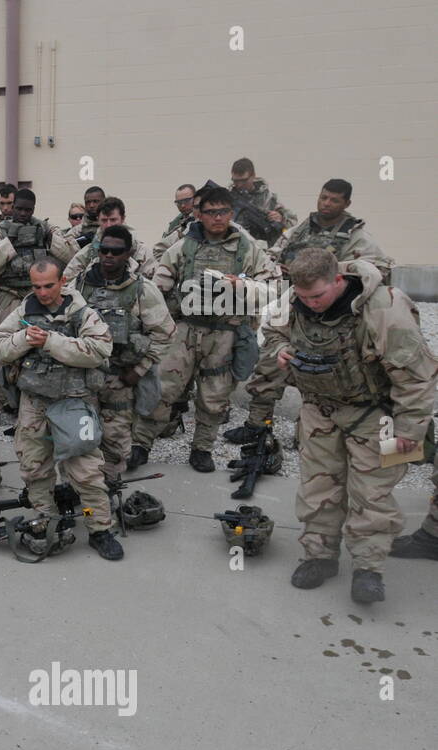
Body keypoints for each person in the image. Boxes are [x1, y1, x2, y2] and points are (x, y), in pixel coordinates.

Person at [267, 249, 436, 603]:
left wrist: (410, 430)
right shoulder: (295, 298)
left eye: (318, 296)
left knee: (372, 493)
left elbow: (417, 376)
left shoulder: (385, 307)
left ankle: (368, 568)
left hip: (377, 416)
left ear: (338, 280)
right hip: (318, 410)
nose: (311, 304)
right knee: (317, 488)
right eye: (303, 297)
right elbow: (272, 331)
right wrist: (280, 348)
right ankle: (319, 556)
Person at [228, 178, 396, 445]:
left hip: (331, 317)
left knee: (320, 372)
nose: (326, 203)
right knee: (269, 366)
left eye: (334, 200)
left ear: (346, 203)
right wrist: (279, 267)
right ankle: (258, 425)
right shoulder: (300, 230)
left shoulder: (357, 237)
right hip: (294, 306)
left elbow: (378, 270)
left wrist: (331, 271)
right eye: (323, 197)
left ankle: (307, 434)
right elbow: (275, 253)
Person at [128, 184, 277, 472]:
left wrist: (240, 285)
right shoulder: (185, 245)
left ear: (231, 213)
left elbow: (272, 287)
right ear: (200, 215)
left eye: (223, 212)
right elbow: (160, 282)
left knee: (214, 396)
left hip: (225, 333)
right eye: (210, 212)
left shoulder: (246, 248)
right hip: (185, 329)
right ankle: (140, 444)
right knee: (163, 388)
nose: (217, 218)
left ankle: (202, 448)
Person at [0, 258, 124, 560]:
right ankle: (47, 520)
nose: (42, 292)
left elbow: (100, 350)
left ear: (62, 281)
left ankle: (98, 527)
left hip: (73, 402)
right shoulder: (24, 311)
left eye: (48, 285)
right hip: (34, 402)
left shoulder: (82, 313)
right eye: (36, 286)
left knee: (86, 472)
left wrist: (51, 341)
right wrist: (24, 338)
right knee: (34, 467)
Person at [0, 188, 72, 453]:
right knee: (0, 350)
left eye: (28, 210)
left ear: (34, 209)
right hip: (7, 295)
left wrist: (49, 237)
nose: (23, 214)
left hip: (37, 295)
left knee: (38, 350)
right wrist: (11, 241)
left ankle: (24, 404)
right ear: (13, 207)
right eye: (19, 209)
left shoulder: (44, 228)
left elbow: (70, 254)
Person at [69, 225, 174, 479]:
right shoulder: (79, 285)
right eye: (104, 249)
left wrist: (139, 370)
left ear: (128, 254)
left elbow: (165, 333)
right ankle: (85, 490)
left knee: (115, 442)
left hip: (119, 380)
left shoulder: (142, 289)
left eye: (116, 251)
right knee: (80, 439)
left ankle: (109, 487)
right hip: (82, 378)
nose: (109, 255)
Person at [61, 197, 156, 279]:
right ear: (98, 220)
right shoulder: (89, 252)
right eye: (104, 220)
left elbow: (155, 282)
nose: (108, 225)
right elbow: (66, 280)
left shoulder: (139, 251)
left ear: (122, 219)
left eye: (113, 220)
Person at [228, 157, 297, 245]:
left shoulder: (269, 198)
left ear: (253, 176)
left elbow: (293, 222)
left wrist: (281, 217)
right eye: (236, 181)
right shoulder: (227, 197)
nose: (239, 184)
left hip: (262, 248)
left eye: (244, 180)